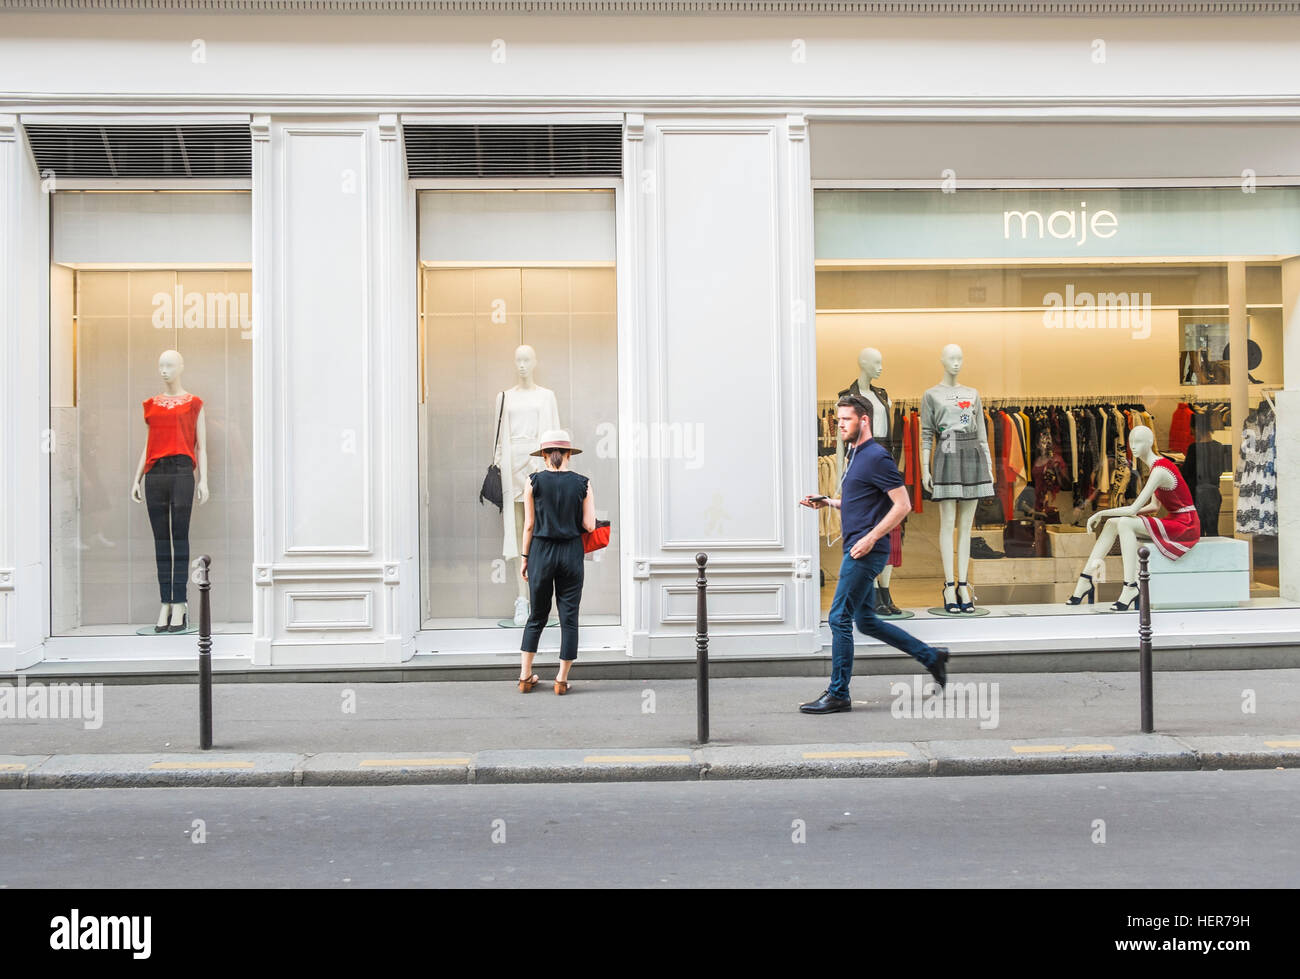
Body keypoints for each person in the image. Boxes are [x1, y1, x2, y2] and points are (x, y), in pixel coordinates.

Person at [799, 394, 949, 713]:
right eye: (838, 420)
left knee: (839, 616)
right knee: (865, 621)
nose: (839, 425)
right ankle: (931, 657)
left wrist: (871, 538)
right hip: (858, 545)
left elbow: (903, 505)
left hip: (866, 551)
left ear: (863, 420)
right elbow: (862, 500)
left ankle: (838, 693)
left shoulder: (877, 457)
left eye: (846, 420)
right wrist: (828, 501)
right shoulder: (856, 454)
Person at [517, 430, 596, 695]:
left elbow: (529, 525)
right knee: (569, 617)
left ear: (543, 455)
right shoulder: (583, 483)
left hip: (541, 550)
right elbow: (589, 524)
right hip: (571, 552)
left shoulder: (533, 481)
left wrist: (525, 558)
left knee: (537, 615)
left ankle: (525, 676)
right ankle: (561, 680)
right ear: (569, 454)